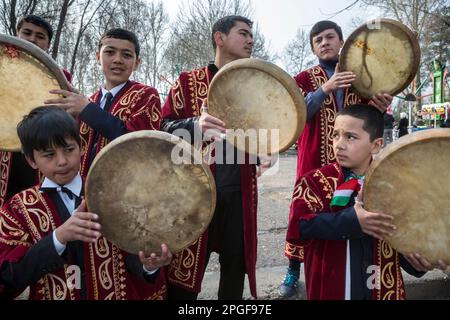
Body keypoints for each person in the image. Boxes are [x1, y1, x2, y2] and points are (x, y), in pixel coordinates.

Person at [0, 107, 172, 300]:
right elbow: (10, 276)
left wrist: (149, 266)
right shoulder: (18, 209)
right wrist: (58, 238)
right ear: (31, 160)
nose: (63, 161)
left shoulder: (113, 193)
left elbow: (132, 254)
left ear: (81, 147)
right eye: (49, 155)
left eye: (69, 149)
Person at [279, 20, 394, 298]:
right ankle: (294, 268)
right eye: (317, 40)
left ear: (342, 41)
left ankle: (355, 270)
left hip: (353, 163)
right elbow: (293, 116)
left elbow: (373, 122)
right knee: (304, 211)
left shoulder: (363, 78)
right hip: (313, 162)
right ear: (313, 47)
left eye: (329, 37)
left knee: (356, 210)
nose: (324, 43)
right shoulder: (304, 79)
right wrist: (324, 89)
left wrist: (380, 106)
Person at [286, 104, 448, 300]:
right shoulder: (314, 181)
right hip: (333, 287)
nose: (339, 144)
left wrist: (417, 261)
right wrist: (352, 221)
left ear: (376, 145)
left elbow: (401, 236)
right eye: (335, 135)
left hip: (381, 287)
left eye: (350, 137)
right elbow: (299, 226)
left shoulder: (397, 186)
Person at [161, 15, 260, 300]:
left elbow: (274, 127)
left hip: (239, 190)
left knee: (234, 268)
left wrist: (265, 149)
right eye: (243, 33)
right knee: (183, 271)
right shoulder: (187, 82)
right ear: (220, 38)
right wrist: (195, 126)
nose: (250, 40)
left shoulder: (255, 85)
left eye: (250, 35)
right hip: (192, 192)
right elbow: (162, 129)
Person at [43, 28, 161, 177]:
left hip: (126, 189)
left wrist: (87, 110)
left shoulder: (147, 95)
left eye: (127, 55)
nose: (118, 60)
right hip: (82, 189)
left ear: (137, 63)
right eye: (110, 52)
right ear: (98, 57)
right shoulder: (88, 101)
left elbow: (141, 143)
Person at [0, 15, 72, 208]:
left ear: (48, 44)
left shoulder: (60, 77)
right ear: (17, 34)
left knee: (32, 205)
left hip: (39, 148)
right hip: (3, 149)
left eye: (40, 36)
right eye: (27, 32)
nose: (32, 39)